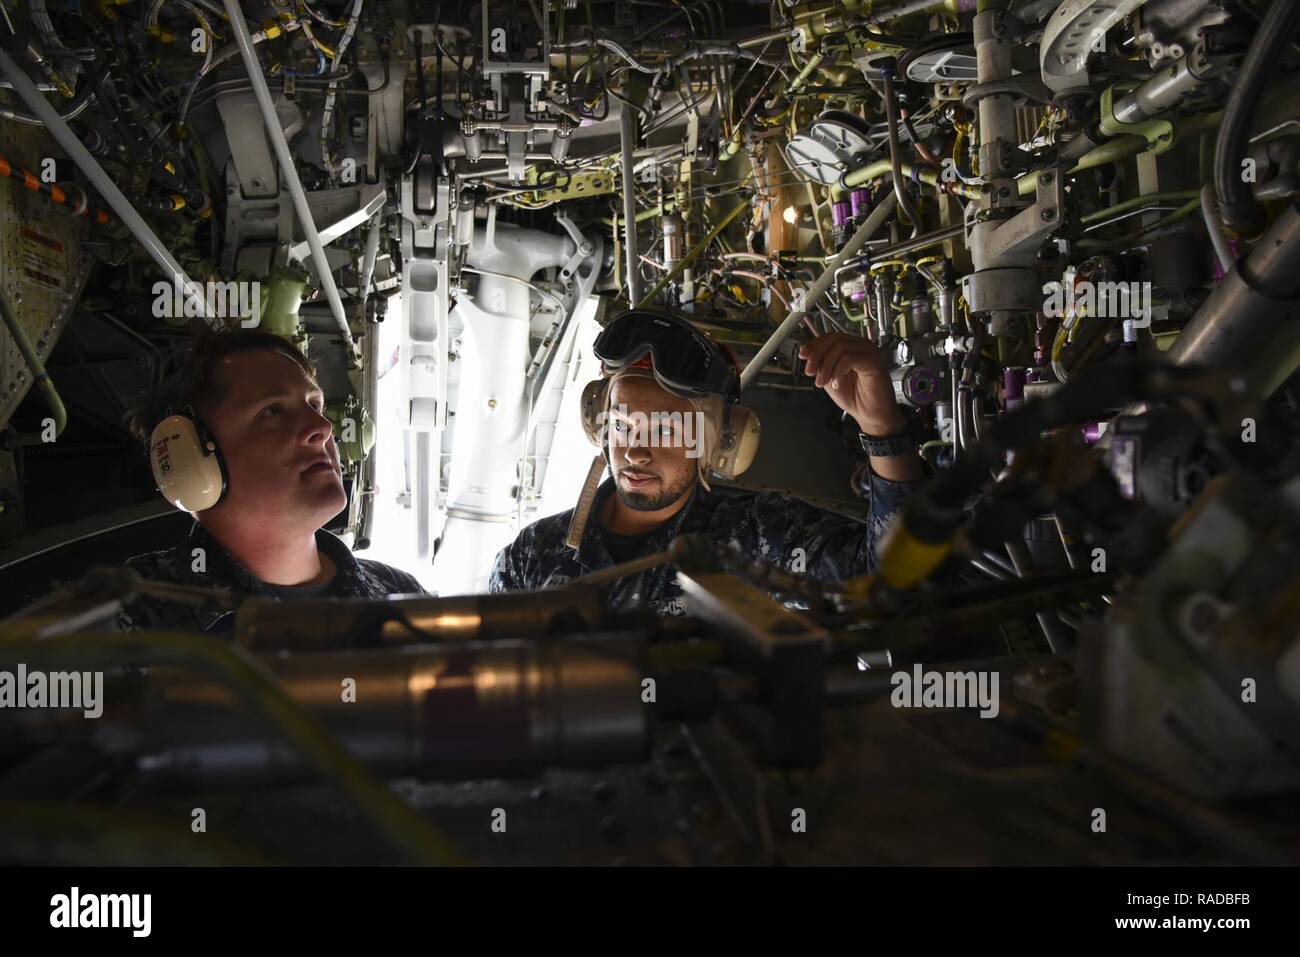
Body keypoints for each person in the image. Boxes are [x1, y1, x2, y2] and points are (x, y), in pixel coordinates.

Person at [488, 309, 924, 615]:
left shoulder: (753, 539)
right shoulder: (532, 557)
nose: (636, 451)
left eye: (667, 430)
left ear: (719, 444)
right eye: (621, 425)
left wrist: (882, 429)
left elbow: (891, 582)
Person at [116, 327, 427, 632]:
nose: (322, 427)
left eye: (314, 405)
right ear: (192, 460)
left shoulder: (400, 592)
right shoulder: (123, 617)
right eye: (272, 412)